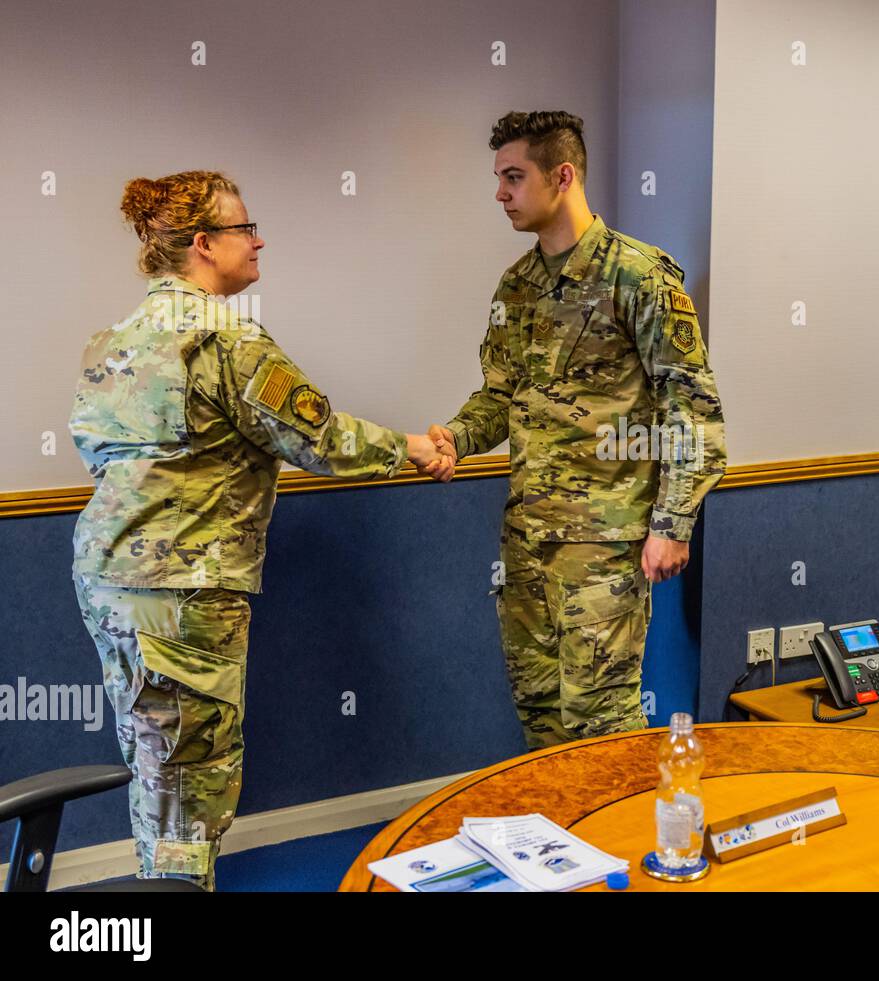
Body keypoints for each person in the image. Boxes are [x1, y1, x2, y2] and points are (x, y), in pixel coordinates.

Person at [69, 170, 453, 890]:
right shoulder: (227, 339)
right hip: (183, 592)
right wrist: (415, 447)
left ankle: (156, 882)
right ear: (204, 243)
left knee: (155, 758)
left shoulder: (112, 340)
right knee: (192, 782)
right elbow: (320, 438)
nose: (259, 239)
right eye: (246, 228)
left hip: (108, 581)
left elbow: (99, 455)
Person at [429, 111, 726, 749]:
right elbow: (500, 396)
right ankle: (564, 852)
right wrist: (456, 437)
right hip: (527, 546)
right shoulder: (518, 284)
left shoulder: (639, 276)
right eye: (499, 178)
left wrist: (673, 526)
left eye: (514, 177)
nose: (501, 194)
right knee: (542, 724)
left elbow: (693, 409)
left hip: (604, 552)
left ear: (562, 176)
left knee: (602, 731)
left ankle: (617, 847)